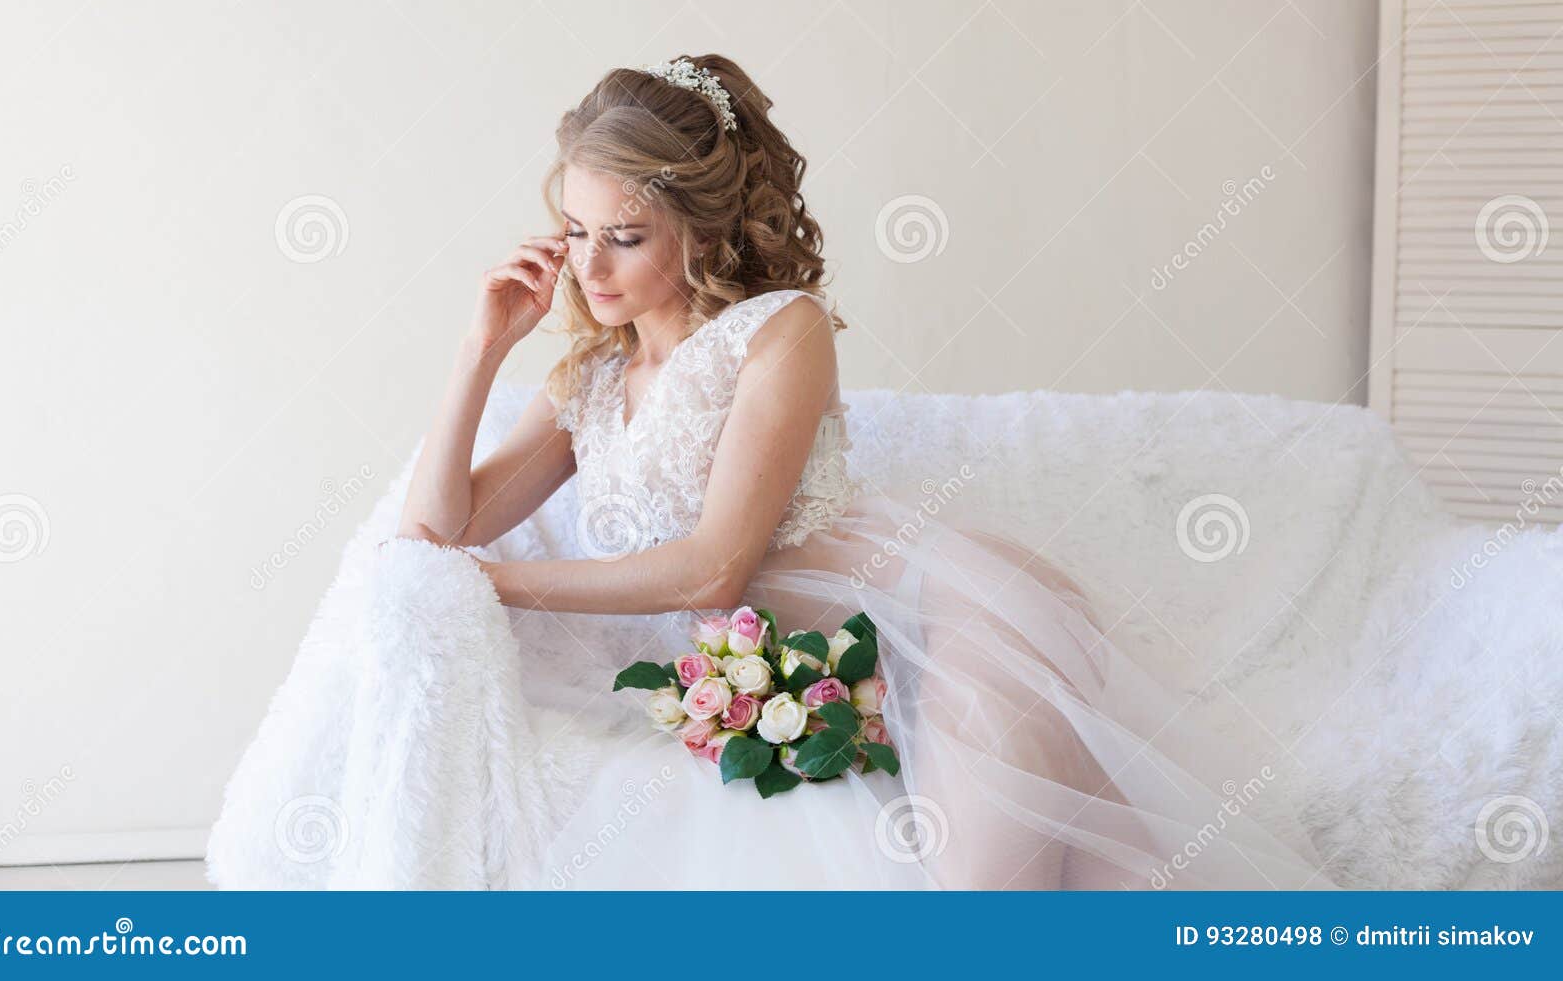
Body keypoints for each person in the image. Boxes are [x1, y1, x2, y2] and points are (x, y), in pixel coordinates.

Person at [206, 54, 1337, 891]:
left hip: (951, 622)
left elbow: (713, 566)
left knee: (996, 909)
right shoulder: (593, 379)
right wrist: (481, 349)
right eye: (575, 229)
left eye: (626, 235)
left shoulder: (778, 332)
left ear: (697, 228)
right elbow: (434, 531)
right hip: (804, 669)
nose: (589, 266)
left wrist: (500, 585)